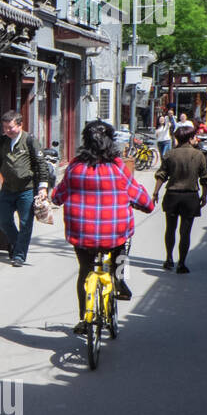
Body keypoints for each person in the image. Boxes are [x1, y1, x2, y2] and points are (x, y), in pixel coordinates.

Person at [51, 120, 154, 334]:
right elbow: (142, 198)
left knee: (85, 271)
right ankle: (119, 280)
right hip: (113, 233)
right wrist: (147, 205)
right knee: (123, 245)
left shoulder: (74, 166)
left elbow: (57, 197)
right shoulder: (118, 167)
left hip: (81, 233)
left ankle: (83, 318)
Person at [0, 110, 49, 267]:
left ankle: (19, 255)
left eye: (10, 127)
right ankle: (17, 243)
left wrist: (43, 187)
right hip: (7, 188)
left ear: (20, 125)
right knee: (3, 218)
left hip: (27, 188)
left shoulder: (30, 140)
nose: (7, 131)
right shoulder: (4, 141)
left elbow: (41, 164)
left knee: (25, 223)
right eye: (4, 127)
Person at [152, 125, 207, 273]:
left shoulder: (170, 154)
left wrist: (155, 193)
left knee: (170, 229)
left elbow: (161, 175)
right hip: (190, 196)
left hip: (172, 195)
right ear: (190, 139)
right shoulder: (199, 155)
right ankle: (181, 263)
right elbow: (204, 178)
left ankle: (169, 259)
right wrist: (204, 195)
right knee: (185, 232)